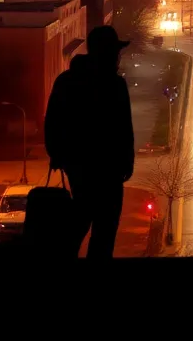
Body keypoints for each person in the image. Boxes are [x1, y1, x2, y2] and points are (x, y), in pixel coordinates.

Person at [45, 24, 136, 258]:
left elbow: (52, 122)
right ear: (106, 53)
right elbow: (124, 129)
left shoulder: (66, 81)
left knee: (78, 222)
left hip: (79, 169)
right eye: (115, 52)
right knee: (103, 231)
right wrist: (127, 163)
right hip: (108, 171)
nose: (118, 58)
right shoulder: (115, 85)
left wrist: (57, 154)